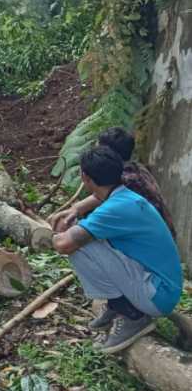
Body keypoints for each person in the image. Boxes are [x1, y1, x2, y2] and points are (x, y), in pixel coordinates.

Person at [52, 146, 182, 354]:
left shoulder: (115, 208)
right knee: (88, 238)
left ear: (85, 177)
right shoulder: (125, 197)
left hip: (157, 296)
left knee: (79, 247)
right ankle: (117, 305)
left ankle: (132, 315)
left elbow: (64, 244)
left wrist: (55, 235)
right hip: (163, 288)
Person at [50, 127, 177, 239]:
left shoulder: (126, 180)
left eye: (99, 148)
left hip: (150, 242)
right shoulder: (133, 169)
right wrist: (75, 209)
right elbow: (98, 197)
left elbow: (101, 202)